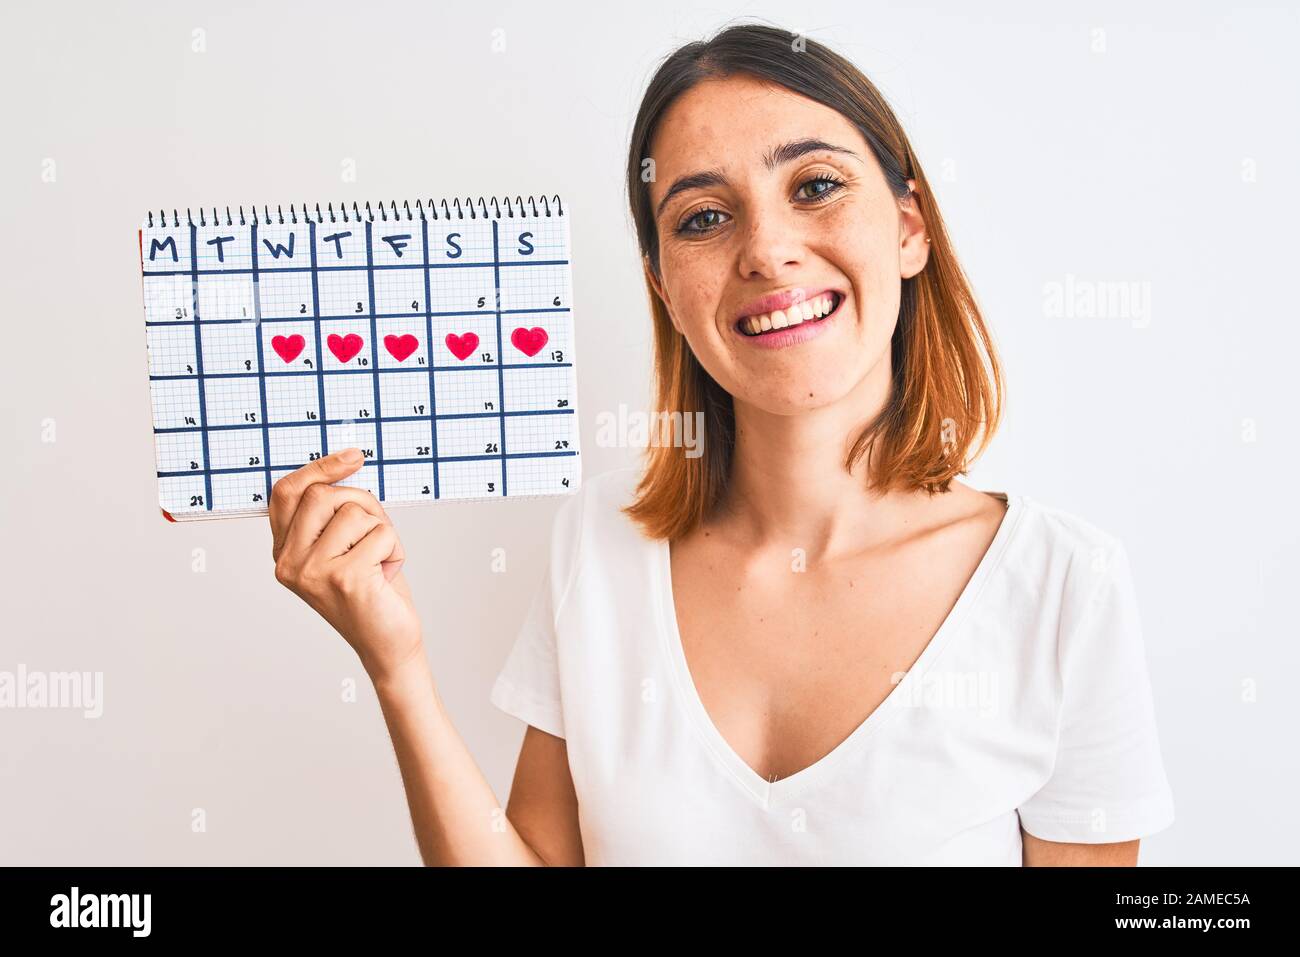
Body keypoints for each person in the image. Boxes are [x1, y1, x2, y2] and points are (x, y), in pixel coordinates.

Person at [268, 23, 1175, 866]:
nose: (768, 250)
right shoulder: (597, 540)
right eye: (704, 217)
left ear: (907, 228)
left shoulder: (1064, 588)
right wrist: (395, 666)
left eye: (815, 186)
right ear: (664, 286)